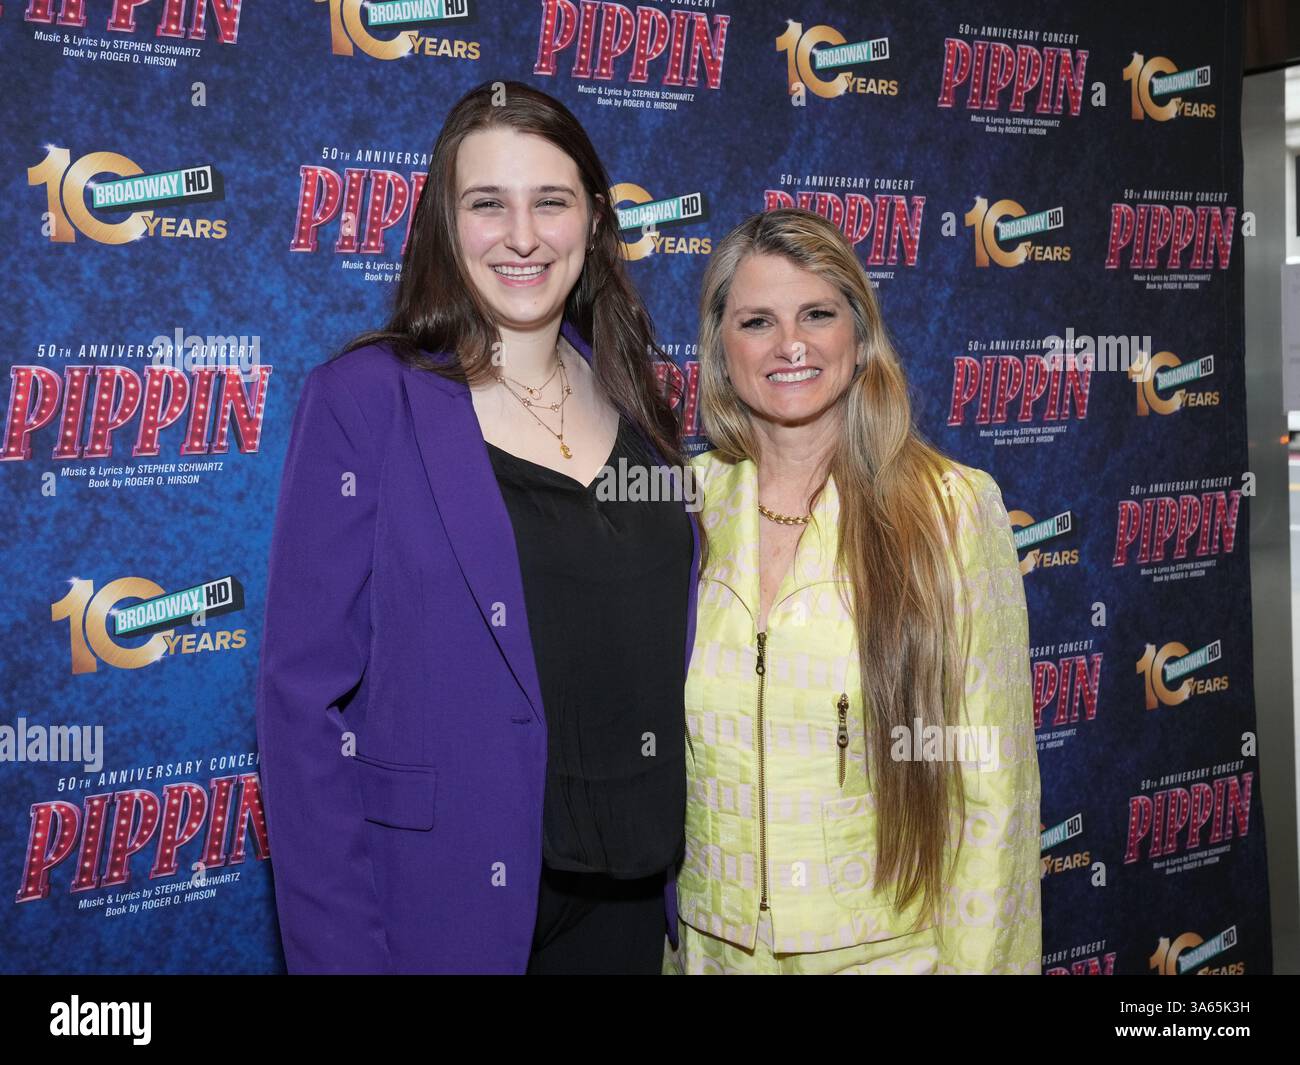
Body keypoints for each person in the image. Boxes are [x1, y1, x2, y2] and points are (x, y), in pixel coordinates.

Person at [255, 80, 699, 974]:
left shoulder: (640, 406)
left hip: (630, 906)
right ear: (443, 223)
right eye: (488, 203)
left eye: (553, 201)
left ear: (596, 220)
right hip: (448, 907)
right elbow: (302, 701)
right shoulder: (365, 402)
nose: (524, 235)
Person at [663, 207, 1041, 975]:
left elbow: (993, 789)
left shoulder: (947, 509)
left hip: (888, 957)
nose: (790, 344)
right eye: (757, 321)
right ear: (720, 351)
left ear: (859, 336)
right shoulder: (682, 507)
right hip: (711, 954)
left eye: (817, 314)